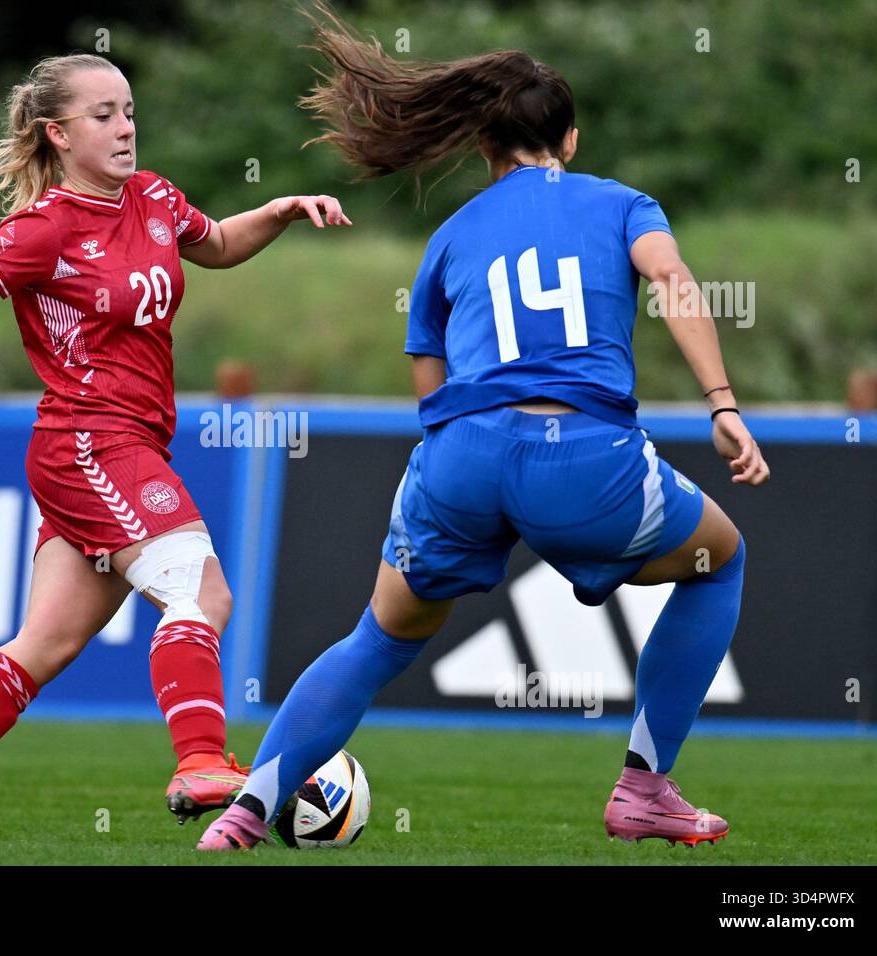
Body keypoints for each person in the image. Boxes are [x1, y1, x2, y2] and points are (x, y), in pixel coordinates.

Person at [200, 10, 770, 851]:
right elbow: (674, 282)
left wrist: (461, 467)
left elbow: (427, 376)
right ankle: (645, 787)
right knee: (719, 560)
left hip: (458, 458)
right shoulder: (620, 204)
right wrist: (722, 401)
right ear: (569, 142)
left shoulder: (451, 235)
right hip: (583, 456)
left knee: (380, 637)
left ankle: (245, 813)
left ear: (483, 149)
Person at [0, 53, 351, 841]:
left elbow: (220, 243)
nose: (125, 126)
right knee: (203, 594)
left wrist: (284, 208)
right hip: (89, 441)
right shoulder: (46, 228)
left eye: (128, 109)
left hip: (122, 444)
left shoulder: (154, 197)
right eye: (103, 115)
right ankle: (200, 760)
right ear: (57, 133)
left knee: (46, 643)